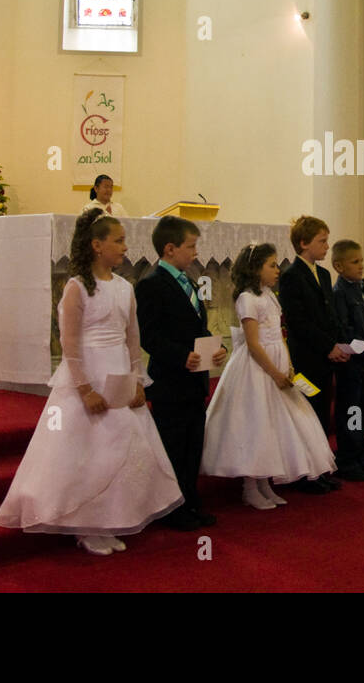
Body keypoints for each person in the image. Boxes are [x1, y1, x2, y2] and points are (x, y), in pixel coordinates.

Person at [0, 209, 183, 554]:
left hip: (118, 374)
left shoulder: (126, 287)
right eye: (119, 240)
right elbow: (69, 344)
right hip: (89, 374)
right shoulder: (77, 287)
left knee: (119, 447)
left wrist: (139, 380)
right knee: (88, 450)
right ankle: (85, 525)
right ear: (97, 245)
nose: (125, 247)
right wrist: (84, 388)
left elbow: (132, 338)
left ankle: (110, 517)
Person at [201, 243, 336, 509]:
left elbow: (279, 333)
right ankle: (250, 486)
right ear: (255, 268)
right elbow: (252, 343)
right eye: (271, 265)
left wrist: (288, 365)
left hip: (278, 364)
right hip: (257, 368)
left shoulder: (269, 295)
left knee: (275, 425)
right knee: (256, 424)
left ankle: (265, 482)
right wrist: (274, 373)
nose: (277, 270)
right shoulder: (247, 298)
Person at [134, 216, 227, 531]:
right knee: (173, 446)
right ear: (170, 249)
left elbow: (197, 327)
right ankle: (173, 507)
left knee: (192, 445)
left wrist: (214, 349)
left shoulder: (190, 280)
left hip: (194, 379)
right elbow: (149, 335)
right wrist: (180, 356)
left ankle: (190, 501)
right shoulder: (150, 284)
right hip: (170, 381)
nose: (196, 253)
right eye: (192, 246)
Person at [278, 215, 349, 493]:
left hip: (326, 354)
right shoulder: (291, 276)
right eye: (322, 241)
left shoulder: (323, 274)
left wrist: (338, 344)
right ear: (304, 243)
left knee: (322, 411)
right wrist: (326, 345)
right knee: (307, 411)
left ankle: (320, 466)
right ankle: (305, 471)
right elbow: (298, 321)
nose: (327, 246)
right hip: (306, 354)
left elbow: (328, 315)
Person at [330, 239, 364, 481]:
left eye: (362, 260)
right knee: (351, 411)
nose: (361, 265)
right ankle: (348, 458)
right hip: (352, 366)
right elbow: (345, 331)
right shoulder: (339, 294)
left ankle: (361, 454)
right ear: (339, 266)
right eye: (355, 262)